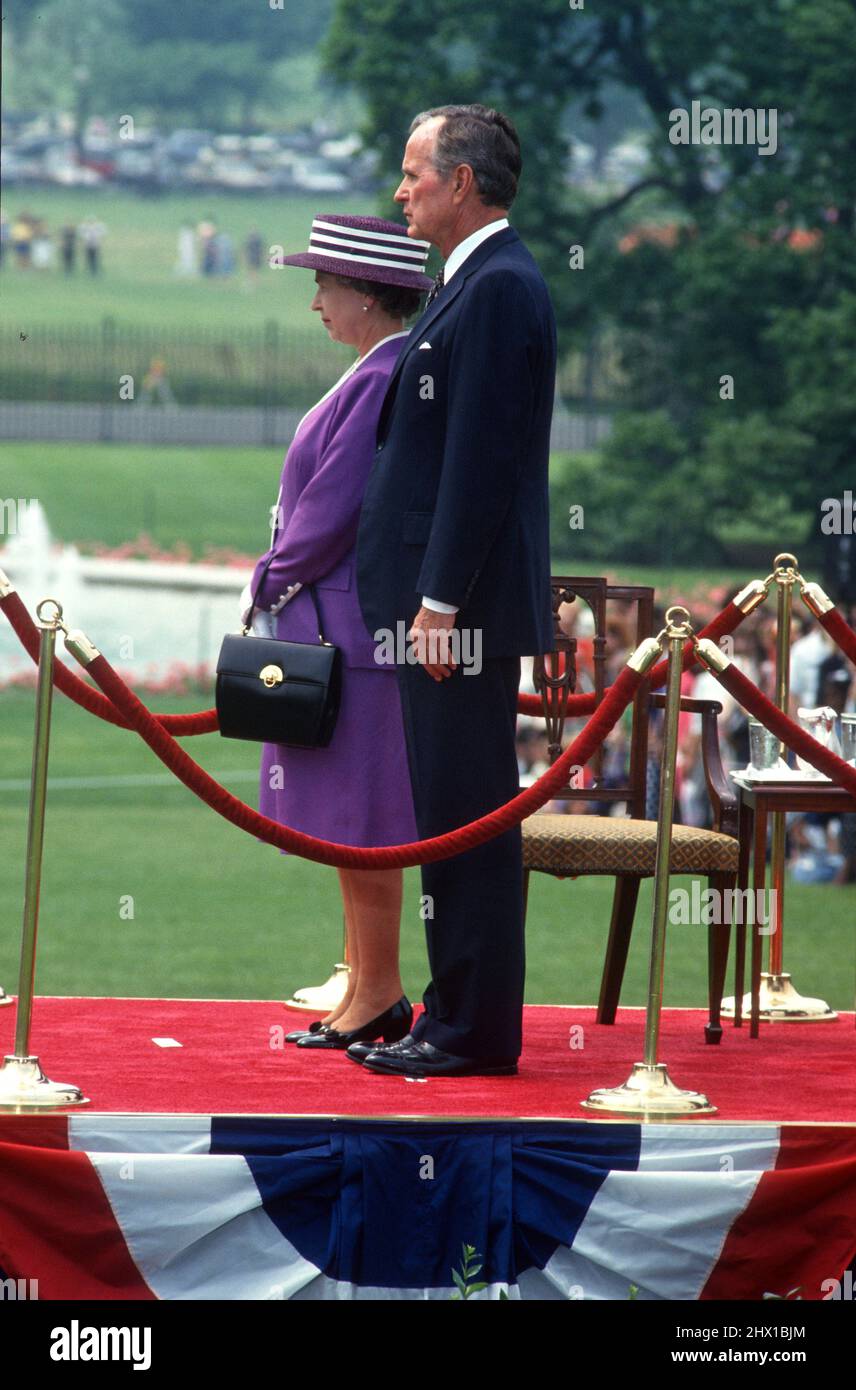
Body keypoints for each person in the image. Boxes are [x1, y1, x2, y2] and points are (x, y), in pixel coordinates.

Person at [353, 105, 557, 1078]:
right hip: (442, 608)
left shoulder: (501, 287)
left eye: (413, 173)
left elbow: (480, 464)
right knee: (446, 813)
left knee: (466, 813)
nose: (400, 190)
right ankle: (451, 1011)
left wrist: (437, 605)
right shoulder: (469, 281)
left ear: (463, 182)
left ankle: (472, 1031)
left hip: (456, 616)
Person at [245, 213, 433, 1051]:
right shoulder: (374, 370)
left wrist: (267, 576)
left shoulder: (378, 376)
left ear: (365, 295)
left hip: (348, 633)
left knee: (365, 826)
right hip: (342, 628)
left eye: (324, 284)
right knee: (352, 826)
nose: (316, 299)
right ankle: (364, 986)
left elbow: (331, 509)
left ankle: (381, 993)